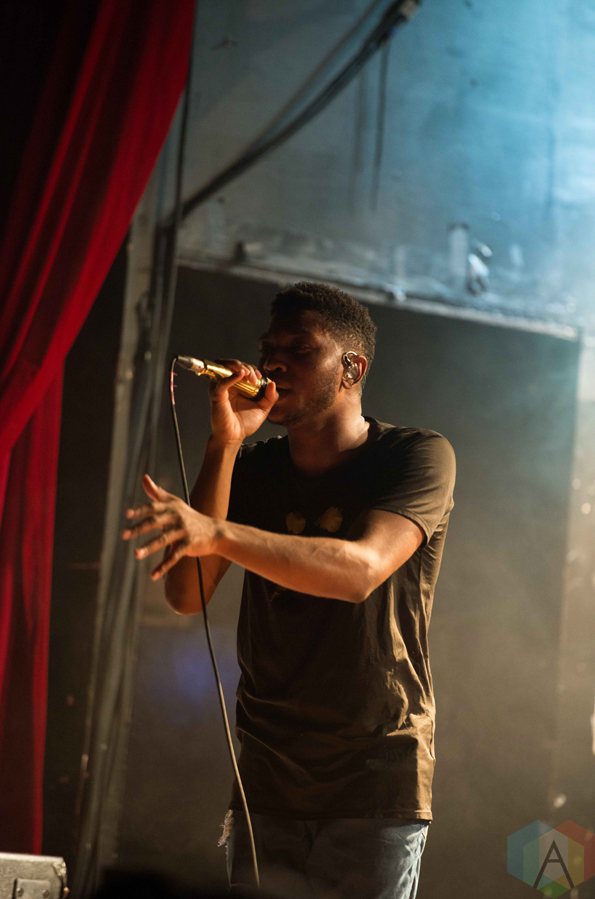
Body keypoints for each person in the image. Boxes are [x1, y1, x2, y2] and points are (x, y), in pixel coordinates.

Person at [123, 282, 456, 899]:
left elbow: (360, 571)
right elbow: (187, 595)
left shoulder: (417, 455)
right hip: (267, 774)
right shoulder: (256, 469)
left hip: (374, 775)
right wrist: (225, 445)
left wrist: (216, 532)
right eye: (268, 350)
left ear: (351, 368)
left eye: (299, 350)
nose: (274, 364)